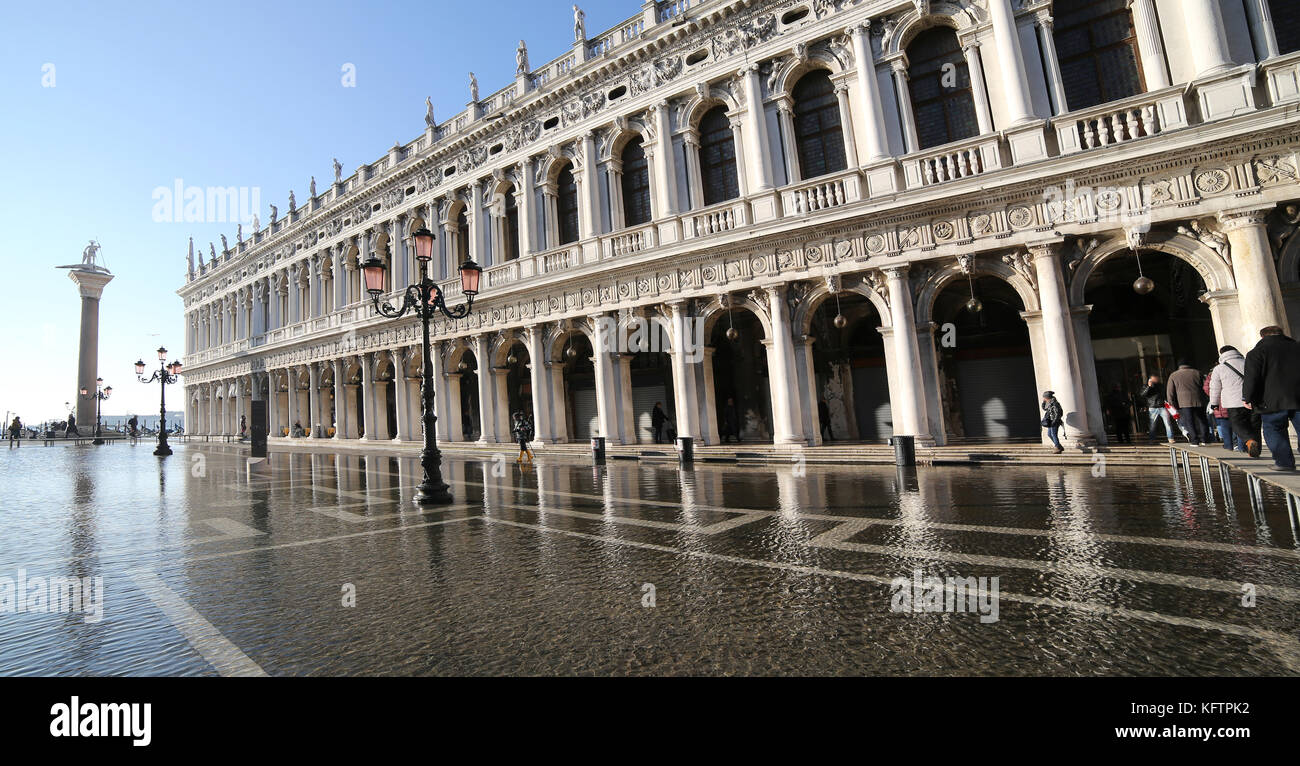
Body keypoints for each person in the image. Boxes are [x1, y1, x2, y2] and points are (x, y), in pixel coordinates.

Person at [1243, 325, 1300, 470]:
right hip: (1298, 397)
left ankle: (1284, 463)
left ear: (1262, 337)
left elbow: (1252, 378)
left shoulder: (1256, 353)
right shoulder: (1297, 347)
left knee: (1274, 429)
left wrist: (1247, 397)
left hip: (1270, 400)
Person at [1208, 345, 1261, 456]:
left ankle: (1249, 441)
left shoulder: (1219, 368)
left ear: (1221, 354)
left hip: (1233, 402)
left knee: (1238, 424)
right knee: (1254, 424)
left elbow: (1215, 387)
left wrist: (1214, 403)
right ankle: (1256, 451)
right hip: (1252, 399)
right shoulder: (1248, 362)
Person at [1166, 360, 1209, 445]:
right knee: (1202, 420)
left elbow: (1170, 391)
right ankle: (1205, 439)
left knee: (1189, 421)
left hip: (1183, 402)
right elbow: (1205, 386)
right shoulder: (1197, 373)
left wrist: (1171, 403)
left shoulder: (1174, 375)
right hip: (1199, 400)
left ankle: (1194, 440)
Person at [1139, 374, 1175, 443]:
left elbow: (1165, 394)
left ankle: (1170, 438)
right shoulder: (1146, 386)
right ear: (1150, 379)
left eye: (1156, 378)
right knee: (1153, 425)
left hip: (1162, 406)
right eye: (1153, 379)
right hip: (1152, 407)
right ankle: (1152, 439)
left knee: (1167, 423)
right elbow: (1143, 394)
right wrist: (1148, 387)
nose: (1155, 380)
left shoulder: (1160, 385)